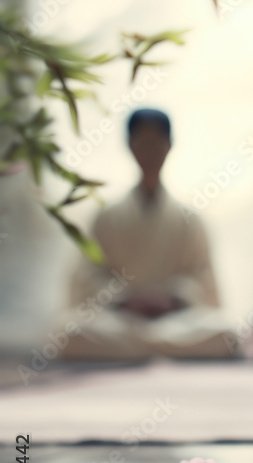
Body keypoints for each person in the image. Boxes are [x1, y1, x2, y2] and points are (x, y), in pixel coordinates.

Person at [60, 109, 239, 361]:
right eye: (142, 143)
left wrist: (172, 299)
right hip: (121, 322)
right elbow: (87, 277)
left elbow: (203, 277)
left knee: (227, 333)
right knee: (69, 331)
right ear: (130, 146)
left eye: (156, 143)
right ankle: (154, 347)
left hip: (176, 323)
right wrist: (126, 300)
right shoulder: (106, 216)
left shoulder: (189, 219)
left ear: (169, 146)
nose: (150, 151)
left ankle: (141, 348)